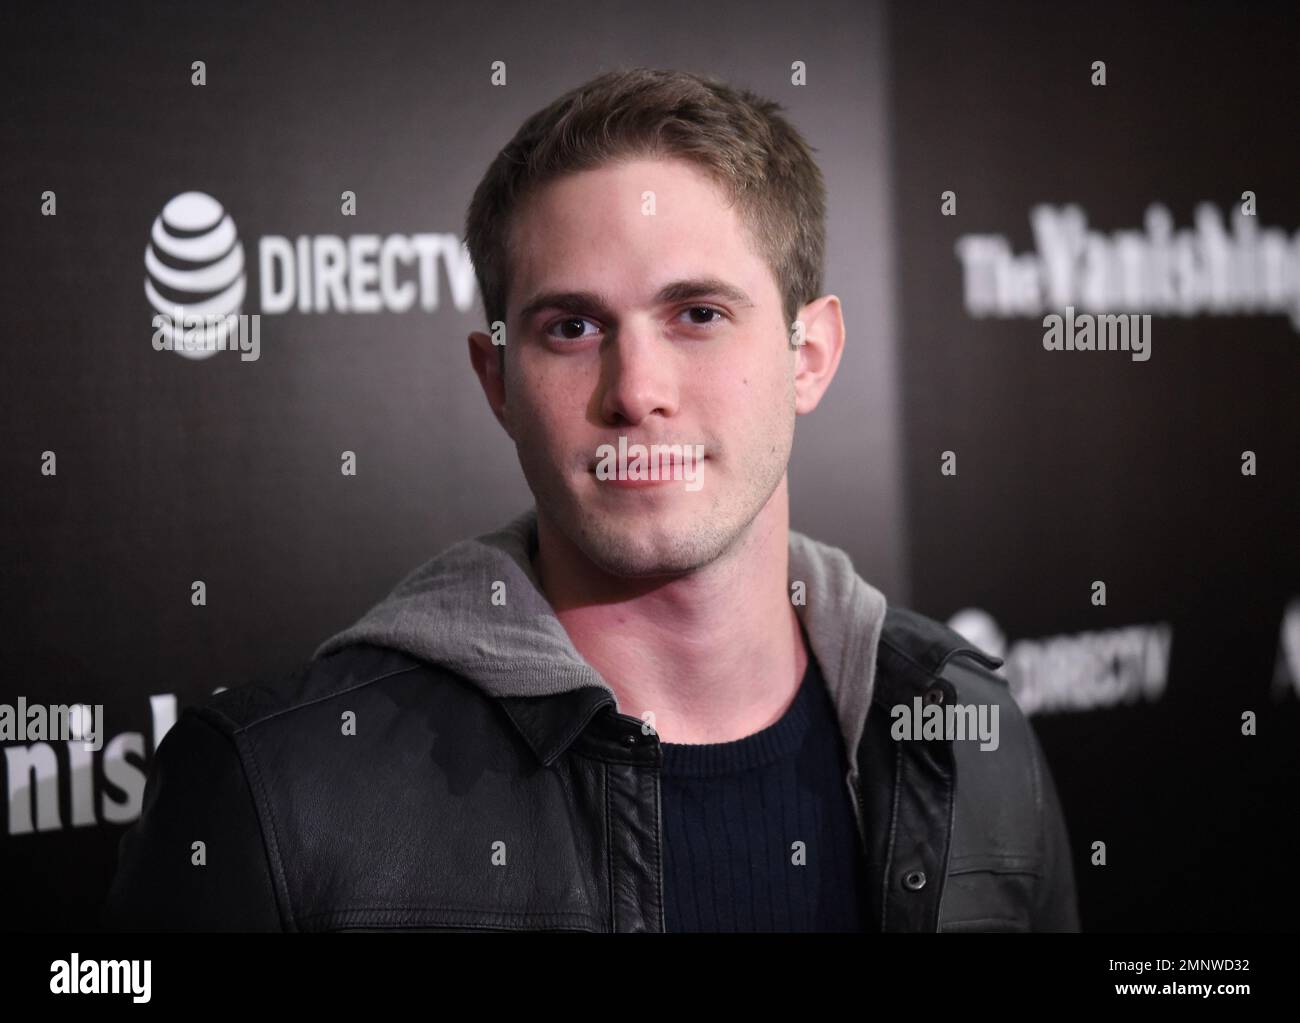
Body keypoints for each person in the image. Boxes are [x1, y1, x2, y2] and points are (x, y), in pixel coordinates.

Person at [103, 66, 1079, 933]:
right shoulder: (271, 787)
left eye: (698, 314)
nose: (635, 388)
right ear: (495, 381)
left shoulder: (959, 725)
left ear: (808, 355)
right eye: (572, 328)